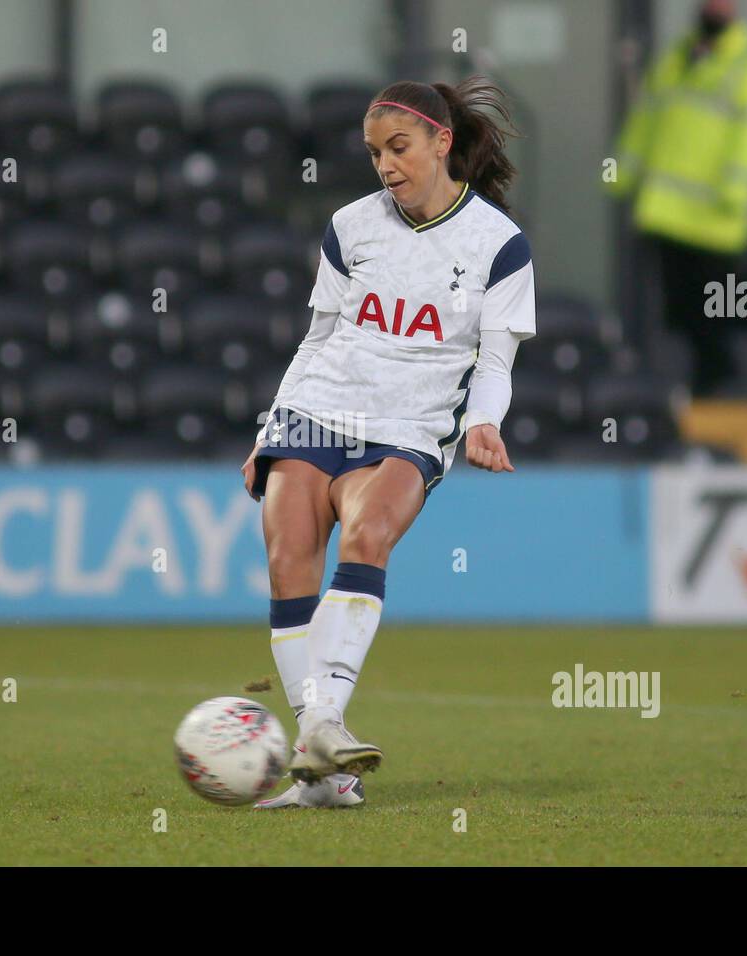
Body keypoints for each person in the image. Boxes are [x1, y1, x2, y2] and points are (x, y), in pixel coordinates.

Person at [239, 77, 536, 808]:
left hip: (408, 426)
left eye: (398, 148)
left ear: (442, 142)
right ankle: (324, 763)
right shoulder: (351, 225)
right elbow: (317, 339)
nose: (386, 166)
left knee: (369, 535)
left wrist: (483, 424)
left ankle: (321, 733)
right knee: (287, 559)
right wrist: (267, 429)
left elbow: (493, 364)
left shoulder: (499, 245)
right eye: (374, 153)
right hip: (315, 409)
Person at [606, 0, 747, 395]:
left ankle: (720, 395)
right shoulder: (675, 59)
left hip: (714, 220)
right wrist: (622, 172)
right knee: (678, 315)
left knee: (711, 320)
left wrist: (735, 193)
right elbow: (645, 122)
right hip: (665, 214)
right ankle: (686, 397)